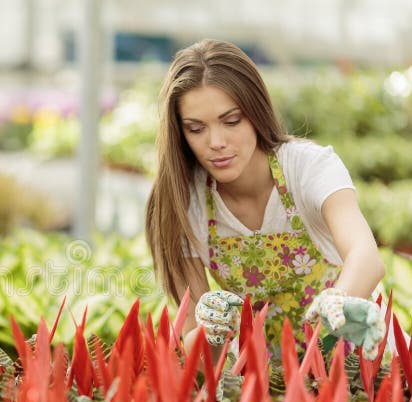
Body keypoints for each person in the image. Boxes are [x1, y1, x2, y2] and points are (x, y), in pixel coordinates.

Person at [144, 39, 386, 358]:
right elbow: (195, 347)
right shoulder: (184, 202)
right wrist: (210, 332)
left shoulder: (308, 167)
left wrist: (338, 303)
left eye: (231, 121)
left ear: (256, 112)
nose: (216, 142)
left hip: (355, 362)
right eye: (196, 128)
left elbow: (365, 256)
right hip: (267, 381)